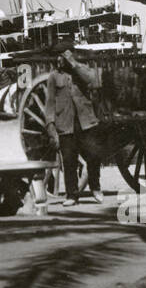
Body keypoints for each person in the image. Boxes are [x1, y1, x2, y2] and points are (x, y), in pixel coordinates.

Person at [44, 48, 105, 205]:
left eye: (63, 56)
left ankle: (95, 187)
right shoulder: (53, 76)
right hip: (65, 124)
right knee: (69, 160)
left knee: (94, 154)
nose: (60, 60)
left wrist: (74, 63)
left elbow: (93, 81)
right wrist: (50, 125)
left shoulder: (81, 69)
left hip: (86, 122)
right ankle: (72, 196)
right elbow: (50, 102)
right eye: (59, 57)